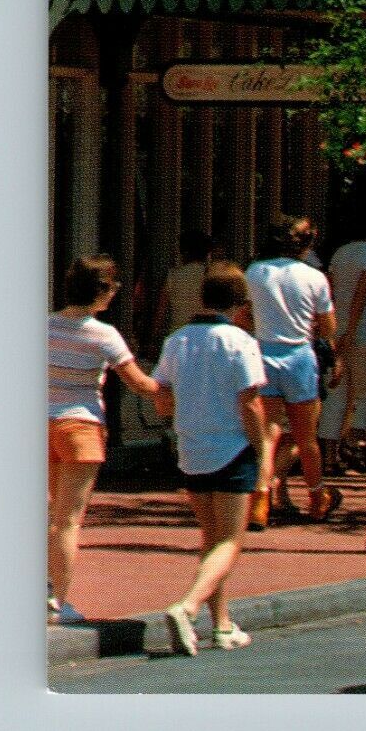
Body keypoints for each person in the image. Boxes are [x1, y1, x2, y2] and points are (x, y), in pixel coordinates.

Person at [152, 262, 267, 656]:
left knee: (212, 540)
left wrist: (183, 413)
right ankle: (188, 606)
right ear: (239, 304)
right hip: (231, 448)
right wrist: (263, 452)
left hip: (192, 449)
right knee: (230, 541)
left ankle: (221, 625)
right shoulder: (239, 341)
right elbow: (250, 404)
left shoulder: (177, 340)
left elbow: (161, 395)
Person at [48, 256, 162, 625]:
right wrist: (174, 388)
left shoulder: (44, 326)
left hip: (40, 425)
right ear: (99, 291)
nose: (114, 294)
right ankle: (56, 602)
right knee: (69, 520)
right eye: (112, 288)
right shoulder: (103, 334)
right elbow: (140, 384)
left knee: (50, 517)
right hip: (81, 428)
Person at [246, 216, 339, 527]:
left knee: (268, 434)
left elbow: (244, 317)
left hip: (263, 354)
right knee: (306, 436)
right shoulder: (314, 277)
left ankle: (260, 498)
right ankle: (316, 496)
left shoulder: (255, 272)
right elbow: (328, 328)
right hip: (299, 355)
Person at [324, 207, 366, 476]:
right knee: (365, 390)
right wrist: (351, 328)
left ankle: (329, 455)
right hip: (362, 332)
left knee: (336, 393)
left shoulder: (340, 254)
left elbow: (332, 289)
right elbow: (364, 294)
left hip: (336, 327)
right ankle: (352, 443)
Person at [155, 230, 217, 350]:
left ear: (184, 252)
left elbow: (160, 312)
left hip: (178, 338)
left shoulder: (173, 275)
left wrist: (154, 340)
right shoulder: (211, 276)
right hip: (205, 338)